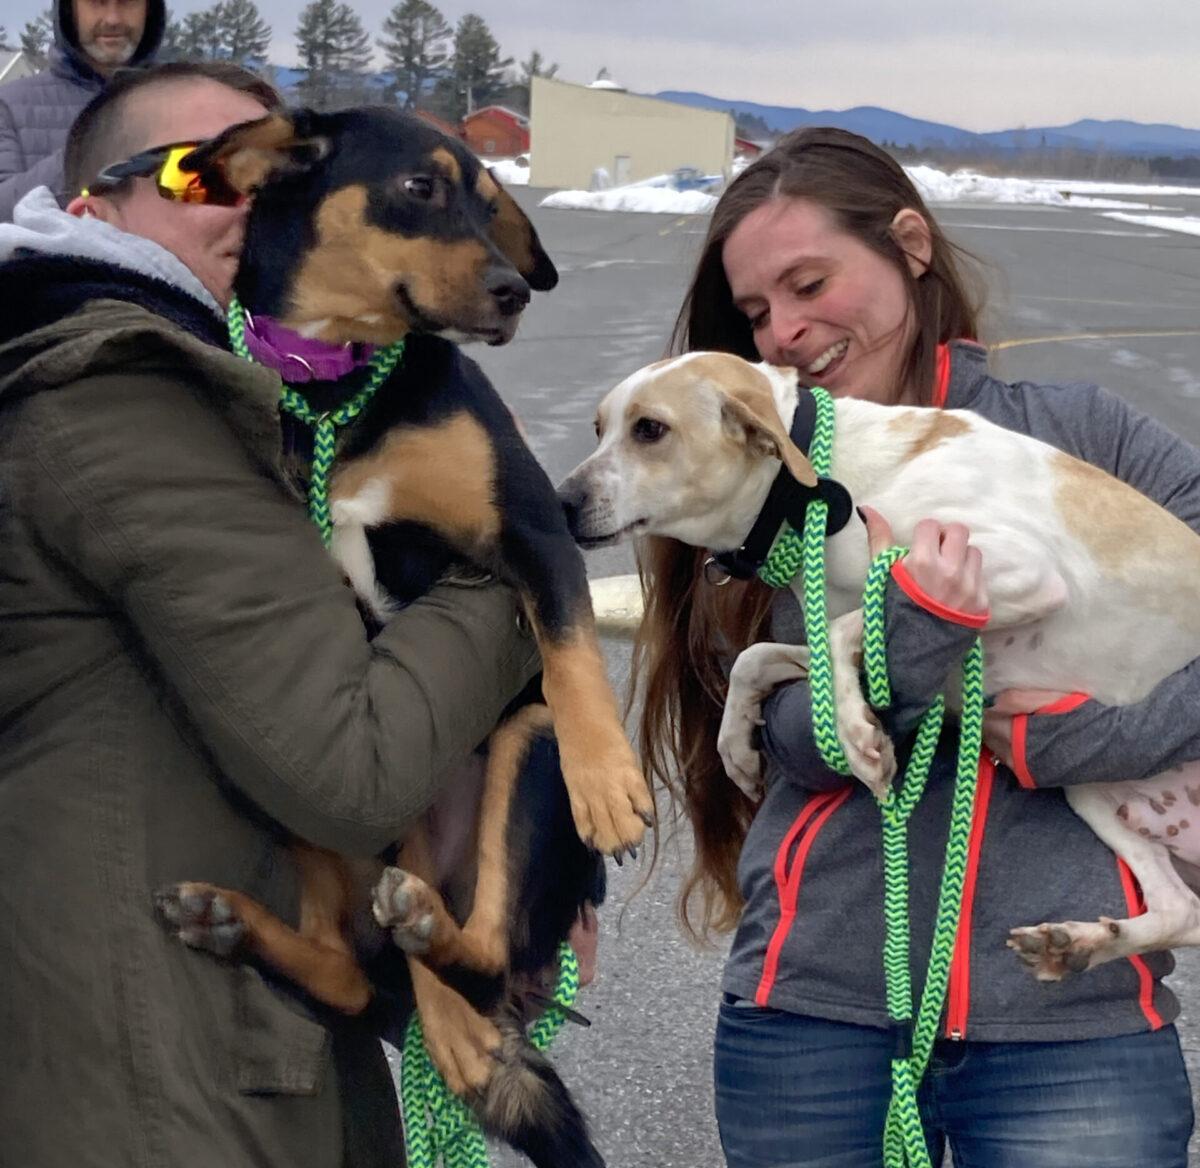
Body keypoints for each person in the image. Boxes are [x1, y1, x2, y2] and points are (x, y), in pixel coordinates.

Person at [0, 62, 546, 1168]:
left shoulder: (185, 373)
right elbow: (349, 768)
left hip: (215, 1025)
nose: (256, 196)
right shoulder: (120, 395)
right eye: (208, 173)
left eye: (284, 169)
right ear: (91, 205)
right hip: (162, 1076)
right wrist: (508, 568)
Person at [636, 126, 1197, 1167]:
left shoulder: (1084, 431)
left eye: (811, 284)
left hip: (1068, 1030)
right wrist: (925, 629)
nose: (787, 332)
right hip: (813, 1017)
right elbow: (803, 743)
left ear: (909, 245)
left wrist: (1053, 738)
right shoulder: (762, 486)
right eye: (758, 313)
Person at [0, 0, 163, 220]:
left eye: (128, 2)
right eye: (97, 2)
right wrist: (92, 149)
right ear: (69, 10)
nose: (113, 18)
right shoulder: (8, 105)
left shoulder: (187, 101)